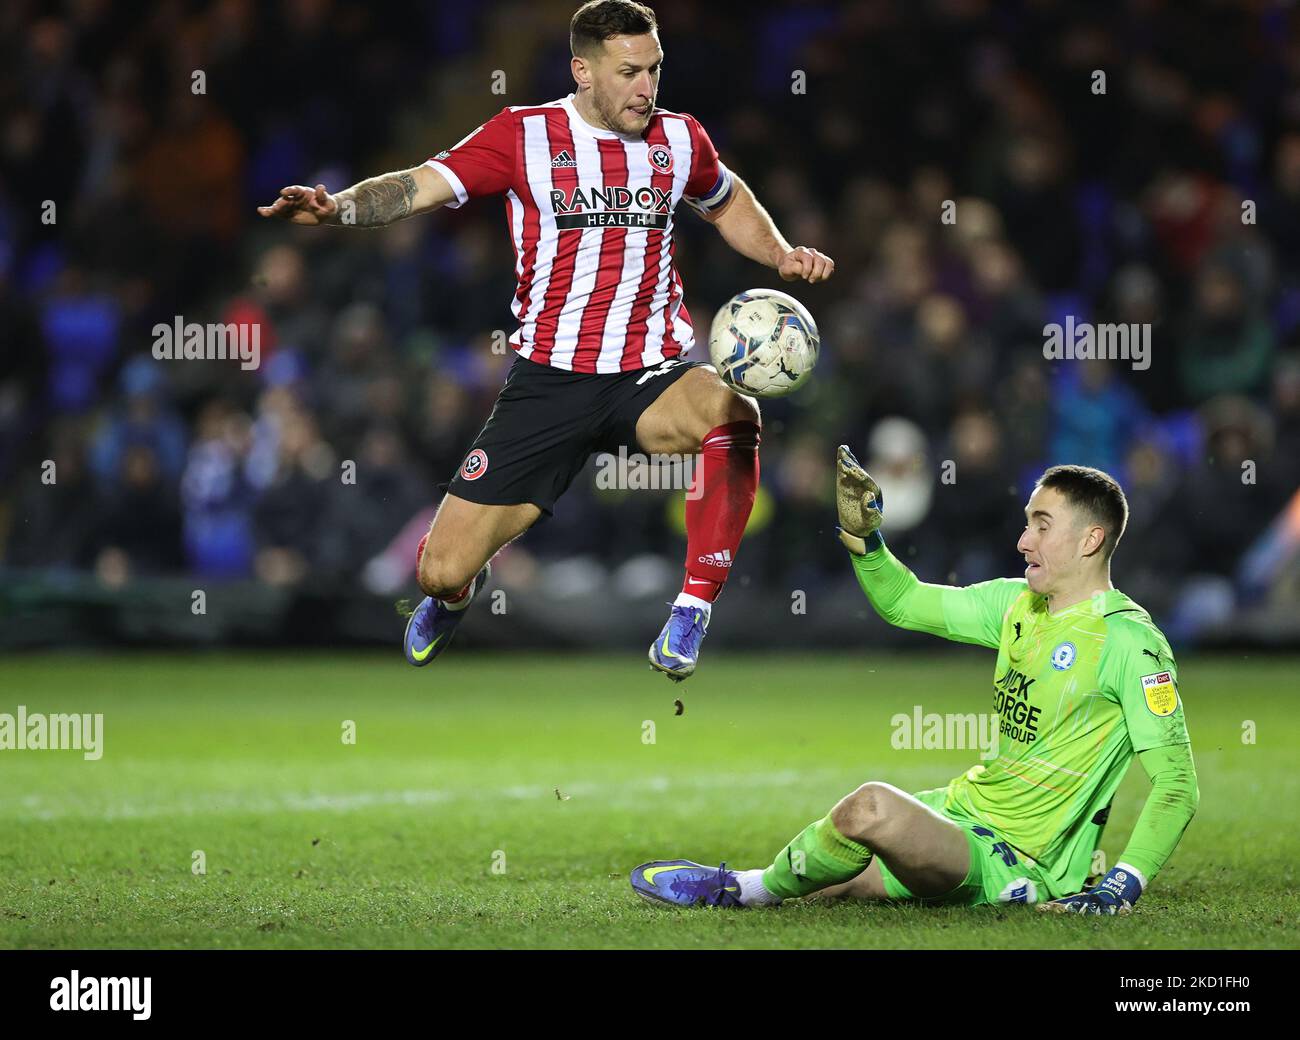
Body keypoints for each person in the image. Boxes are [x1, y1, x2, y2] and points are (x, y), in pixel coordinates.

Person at [257, 0, 834, 681]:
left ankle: (690, 611)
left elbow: (726, 197)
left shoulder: (680, 140)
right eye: (629, 72)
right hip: (548, 384)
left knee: (734, 411)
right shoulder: (522, 135)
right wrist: (339, 207)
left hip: (648, 374)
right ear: (582, 71)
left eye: (654, 70)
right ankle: (458, 594)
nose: (646, 88)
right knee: (438, 570)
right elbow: (418, 186)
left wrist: (779, 254)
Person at [631, 452, 1198, 913]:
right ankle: (741, 888)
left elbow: (1177, 786)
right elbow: (904, 603)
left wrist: (1121, 883)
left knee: (870, 808)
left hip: (1019, 857)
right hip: (963, 813)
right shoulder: (1016, 603)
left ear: (1090, 540)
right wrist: (865, 540)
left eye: (1041, 526)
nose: (1024, 541)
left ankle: (746, 889)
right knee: (837, 881)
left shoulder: (1130, 643)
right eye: (1027, 523)